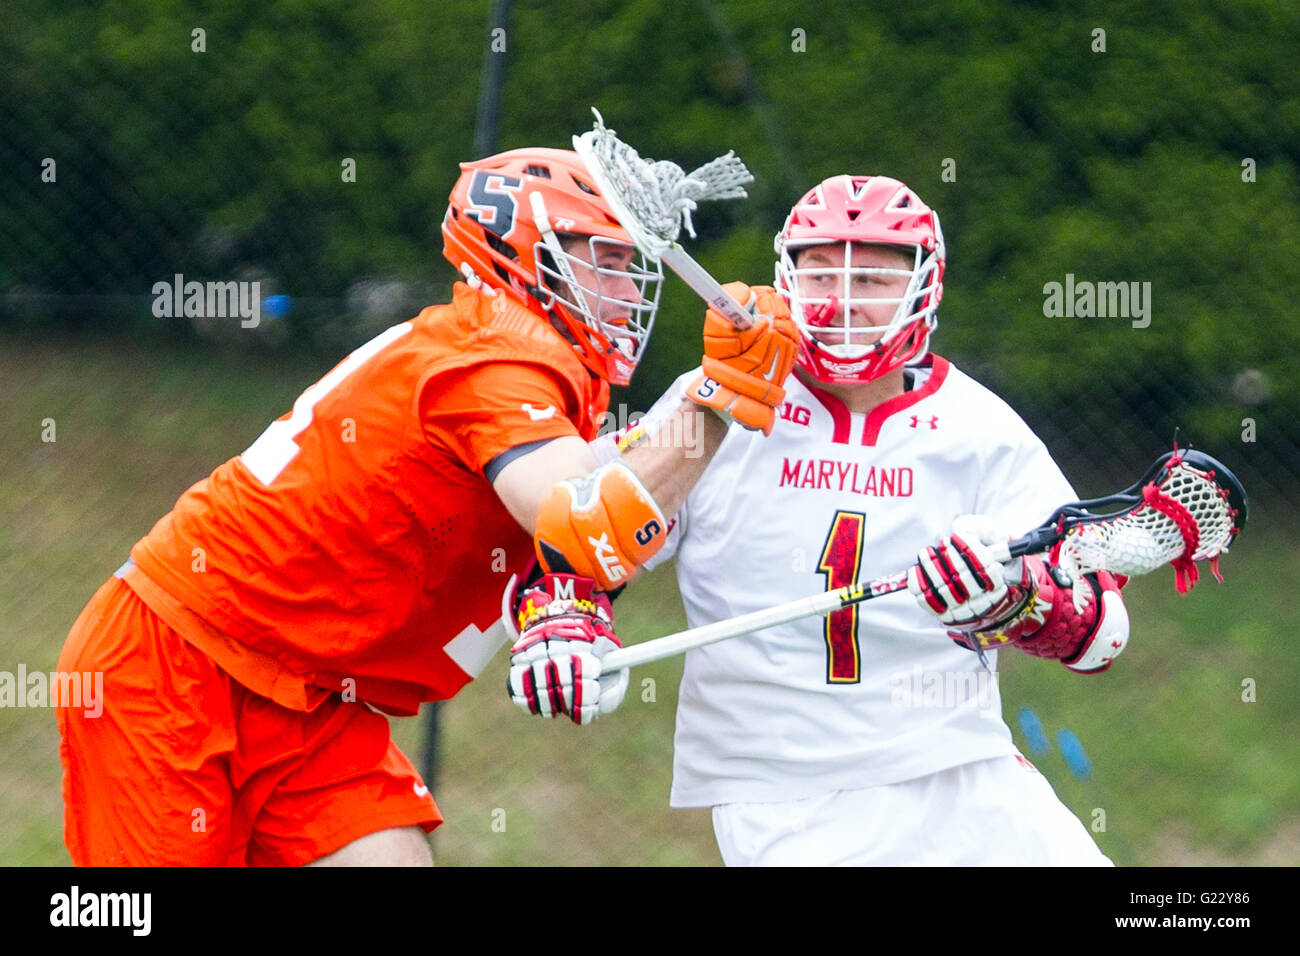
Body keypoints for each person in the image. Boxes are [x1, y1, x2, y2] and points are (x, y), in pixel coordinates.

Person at [55, 146, 798, 866]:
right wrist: (721, 401)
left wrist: (563, 604)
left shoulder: (529, 355)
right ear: (530, 255)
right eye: (604, 261)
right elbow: (588, 522)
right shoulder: (499, 358)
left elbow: (566, 536)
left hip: (310, 696)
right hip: (181, 664)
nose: (631, 290)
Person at [577, 174, 1131, 865]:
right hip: (783, 794)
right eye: (818, 277)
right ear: (787, 281)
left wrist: (1011, 602)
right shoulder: (717, 403)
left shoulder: (982, 429)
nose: (840, 303)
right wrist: (568, 620)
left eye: (870, 278)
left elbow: (1101, 635)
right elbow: (584, 537)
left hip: (963, 771)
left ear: (922, 289)